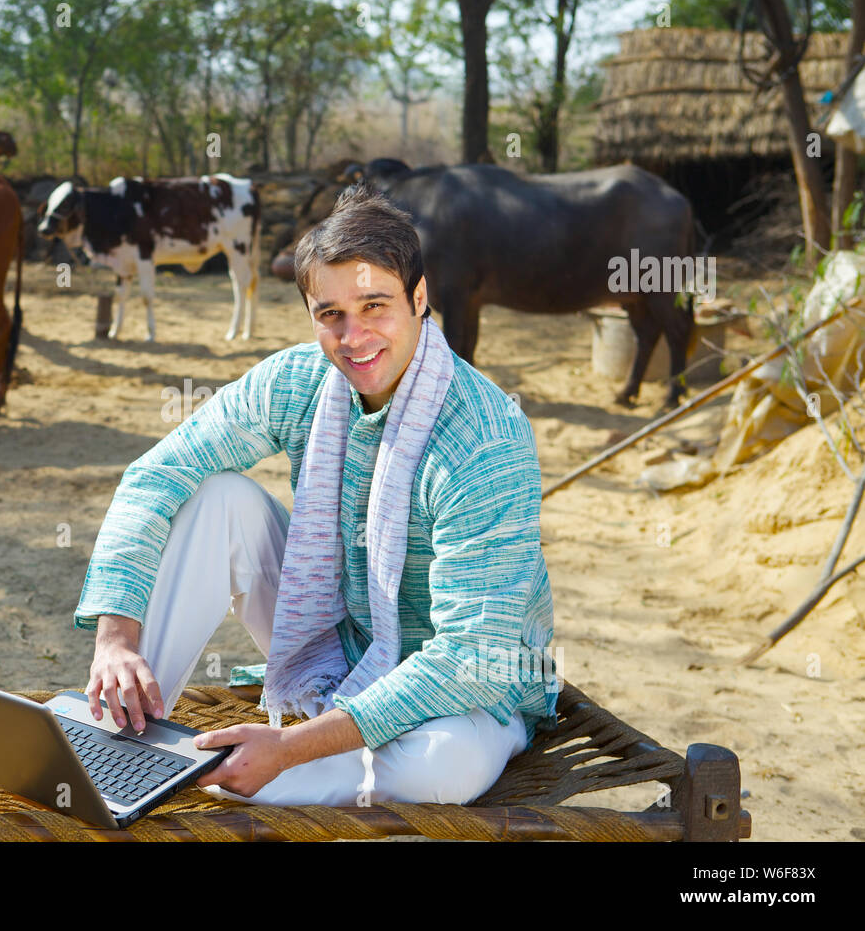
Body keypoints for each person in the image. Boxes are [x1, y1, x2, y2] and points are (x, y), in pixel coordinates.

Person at [73, 182, 558, 807]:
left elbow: (471, 655)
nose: (353, 337)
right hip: (342, 639)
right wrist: (115, 637)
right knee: (218, 497)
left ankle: (199, 779)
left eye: (375, 306)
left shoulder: (485, 437)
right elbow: (155, 473)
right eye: (331, 314)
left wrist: (291, 748)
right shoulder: (298, 381)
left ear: (419, 298)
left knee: (441, 770)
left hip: (472, 687)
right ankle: (123, 739)